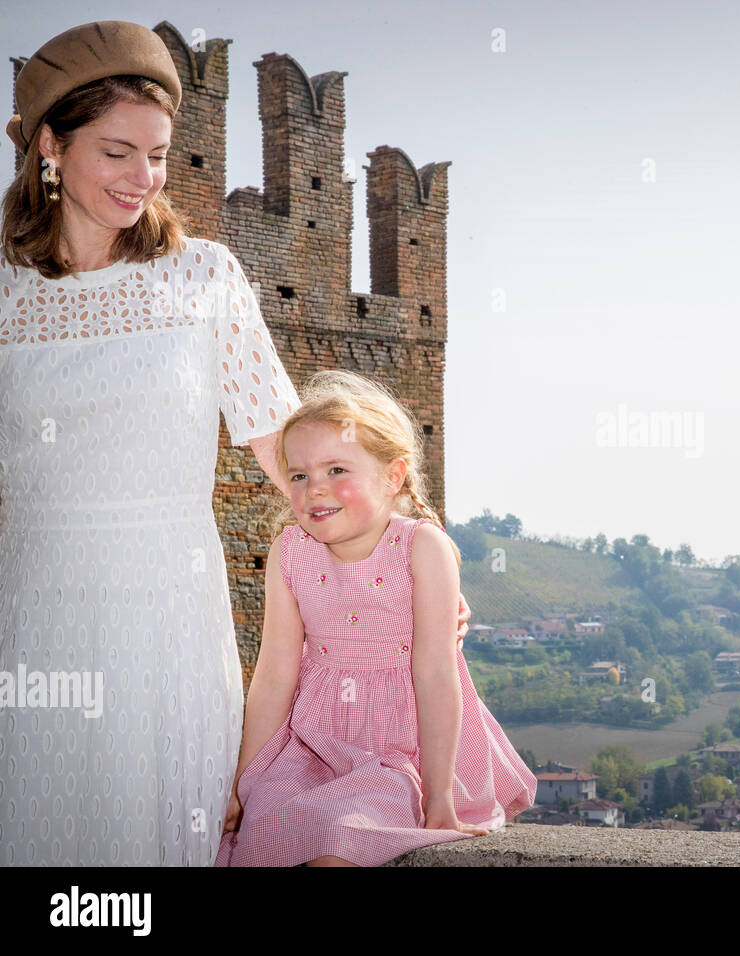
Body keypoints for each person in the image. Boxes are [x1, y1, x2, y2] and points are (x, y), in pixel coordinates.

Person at [0, 21, 473, 866]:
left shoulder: (204, 276)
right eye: (116, 152)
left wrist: (408, 545)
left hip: (168, 618)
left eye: (158, 155)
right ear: (50, 147)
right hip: (31, 617)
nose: (143, 179)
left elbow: (289, 450)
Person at [216, 370, 537, 866]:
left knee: (342, 843)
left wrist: (439, 799)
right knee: (264, 833)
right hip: (313, 747)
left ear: (392, 477)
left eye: (336, 470)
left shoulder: (421, 546)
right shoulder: (290, 552)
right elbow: (275, 674)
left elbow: (435, 672)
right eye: (299, 475)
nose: (314, 489)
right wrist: (241, 784)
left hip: (401, 751)